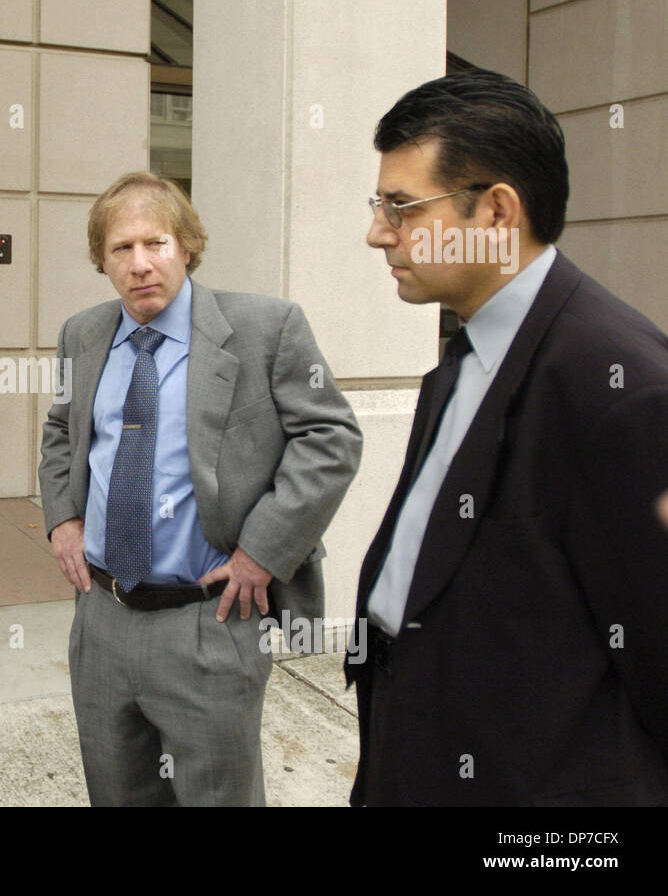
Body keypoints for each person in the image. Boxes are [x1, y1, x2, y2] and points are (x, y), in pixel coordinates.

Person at [349, 69, 668, 805]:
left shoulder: (619, 387)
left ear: (496, 212)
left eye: (401, 206)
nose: (377, 232)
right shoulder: (464, 355)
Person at [39, 171, 361, 806]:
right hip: (101, 617)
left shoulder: (268, 328)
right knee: (118, 794)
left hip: (209, 621)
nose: (140, 264)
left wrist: (264, 550)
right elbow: (60, 431)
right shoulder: (82, 334)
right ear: (100, 261)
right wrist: (62, 520)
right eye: (120, 249)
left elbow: (331, 438)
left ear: (186, 245)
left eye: (155, 243)